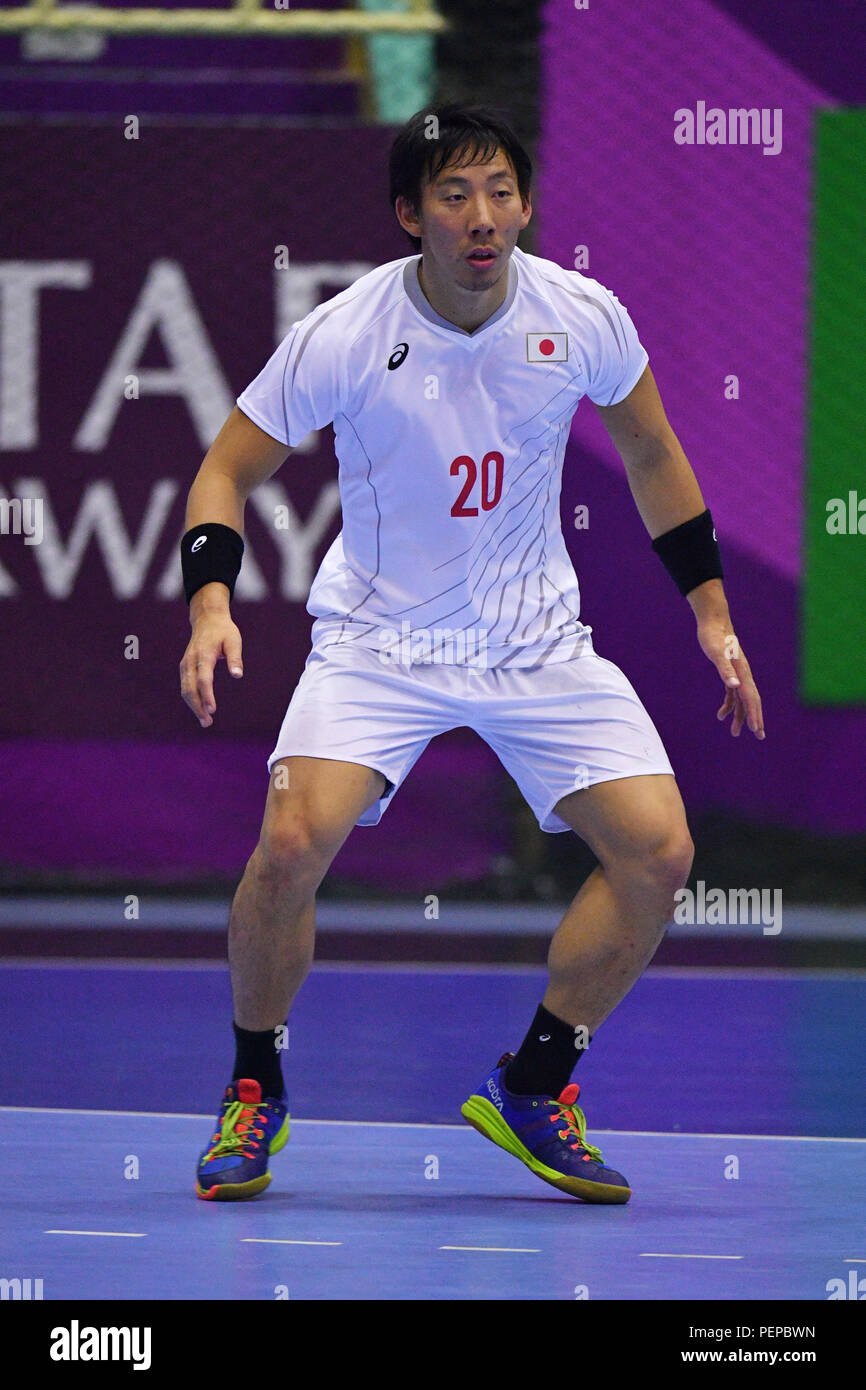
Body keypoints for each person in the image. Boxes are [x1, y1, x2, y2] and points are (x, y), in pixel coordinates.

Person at [180, 104, 764, 1204]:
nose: (480, 214)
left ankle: (535, 1085)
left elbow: (650, 450)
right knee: (290, 840)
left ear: (526, 205)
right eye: (451, 194)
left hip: (533, 639)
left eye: (498, 190)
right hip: (378, 641)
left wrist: (711, 610)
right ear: (410, 215)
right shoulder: (345, 333)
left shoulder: (578, 313)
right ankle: (255, 1086)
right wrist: (211, 603)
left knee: (659, 855)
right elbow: (223, 473)